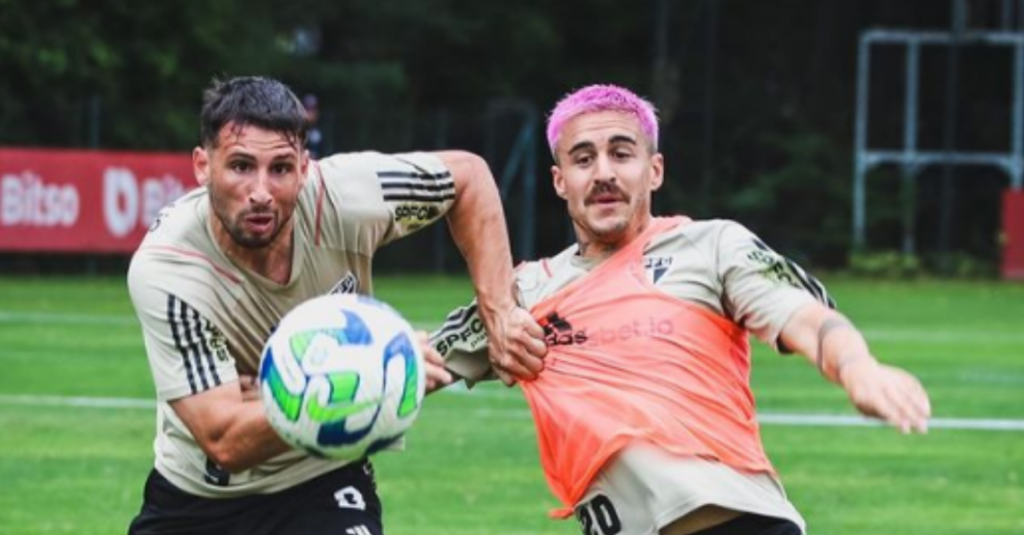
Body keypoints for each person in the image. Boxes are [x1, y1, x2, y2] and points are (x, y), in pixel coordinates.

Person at [432, 84, 931, 535]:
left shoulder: (710, 246)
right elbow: (413, 364)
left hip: (742, 525)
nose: (603, 173)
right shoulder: (522, 294)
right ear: (560, 181)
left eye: (621, 154)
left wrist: (857, 367)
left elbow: (806, 317)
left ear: (654, 170)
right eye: (583, 160)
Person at [125, 76, 544, 535]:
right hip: (199, 499)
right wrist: (367, 376)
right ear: (203, 166)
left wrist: (500, 313)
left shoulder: (346, 196)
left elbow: (468, 177)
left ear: (305, 169)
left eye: (281, 168)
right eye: (241, 166)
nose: (261, 191)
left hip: (322, 477)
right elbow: (224, 439)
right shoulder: (170, 268)